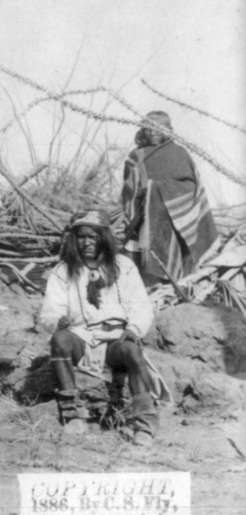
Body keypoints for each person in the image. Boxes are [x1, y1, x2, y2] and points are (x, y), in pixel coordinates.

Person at [39, 210, 167, 446]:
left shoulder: (124, 267)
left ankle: (144, 426)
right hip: (81, 337)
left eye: (93, 237)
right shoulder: (63, 271)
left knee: (133, 351)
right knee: (59, 339)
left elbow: (140, 306)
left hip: (114, 339)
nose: (87, 242)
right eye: (81, 236)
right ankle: (74, 415)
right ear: (73, 239)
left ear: (104, 238)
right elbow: (49, 311)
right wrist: (58, 321)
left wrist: (133, 329)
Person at [122, 110, 218, 283]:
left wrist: (156, 190)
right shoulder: (136, 156)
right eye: (148, 128)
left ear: (169, 130)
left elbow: (192, 186)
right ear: (142, 131)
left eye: (160, 128)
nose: (153, 132)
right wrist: (146, 198)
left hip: (178, 220)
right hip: (144, 221)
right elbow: (129, 193)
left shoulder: (180, 152)